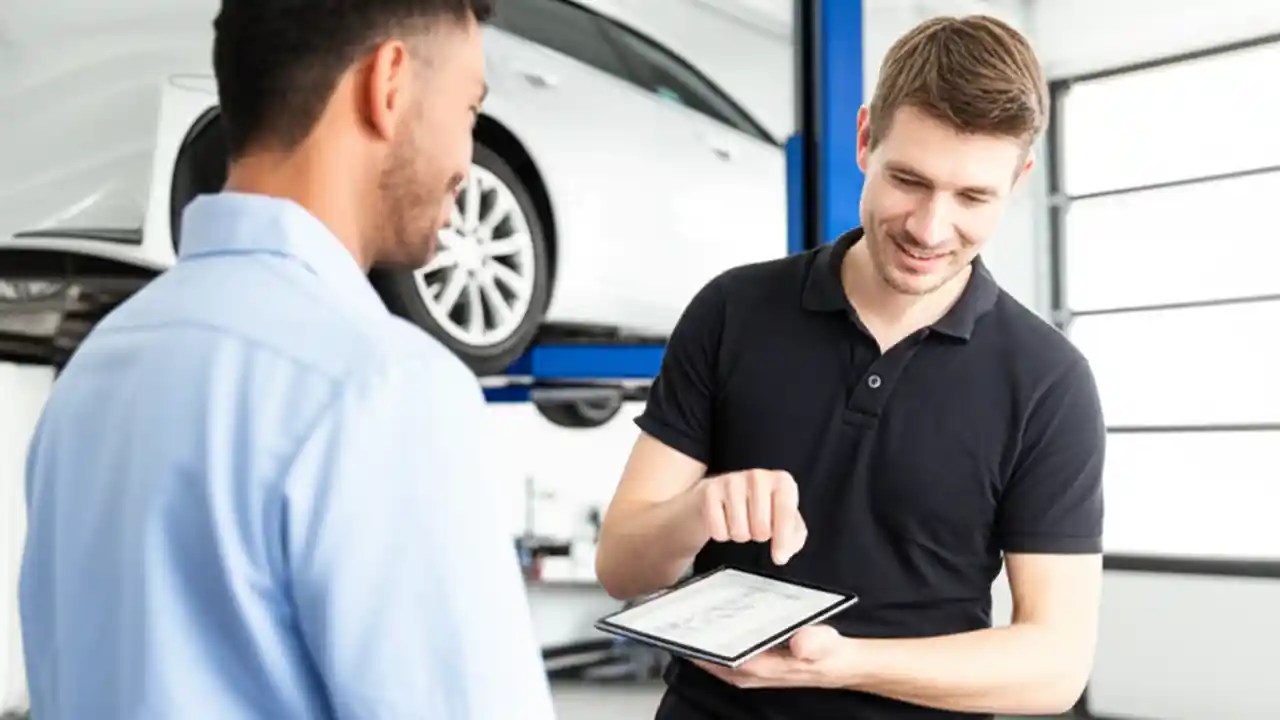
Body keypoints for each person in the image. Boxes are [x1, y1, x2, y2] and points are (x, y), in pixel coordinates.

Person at [18, 1, 557, 718]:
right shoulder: (382, 387)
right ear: (389, 84)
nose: (468, 159)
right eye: (468, 108)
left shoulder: (95, 374)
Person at [596, 14, 1105, 720]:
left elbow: (1054, 667)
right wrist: (696, 509)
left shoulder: (1049, 382)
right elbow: (621, 567)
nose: (930, 228)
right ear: (865, 137)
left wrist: (845, 665)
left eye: (972, 197)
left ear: (1019, 180)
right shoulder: (733, 310)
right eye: (908, 179)